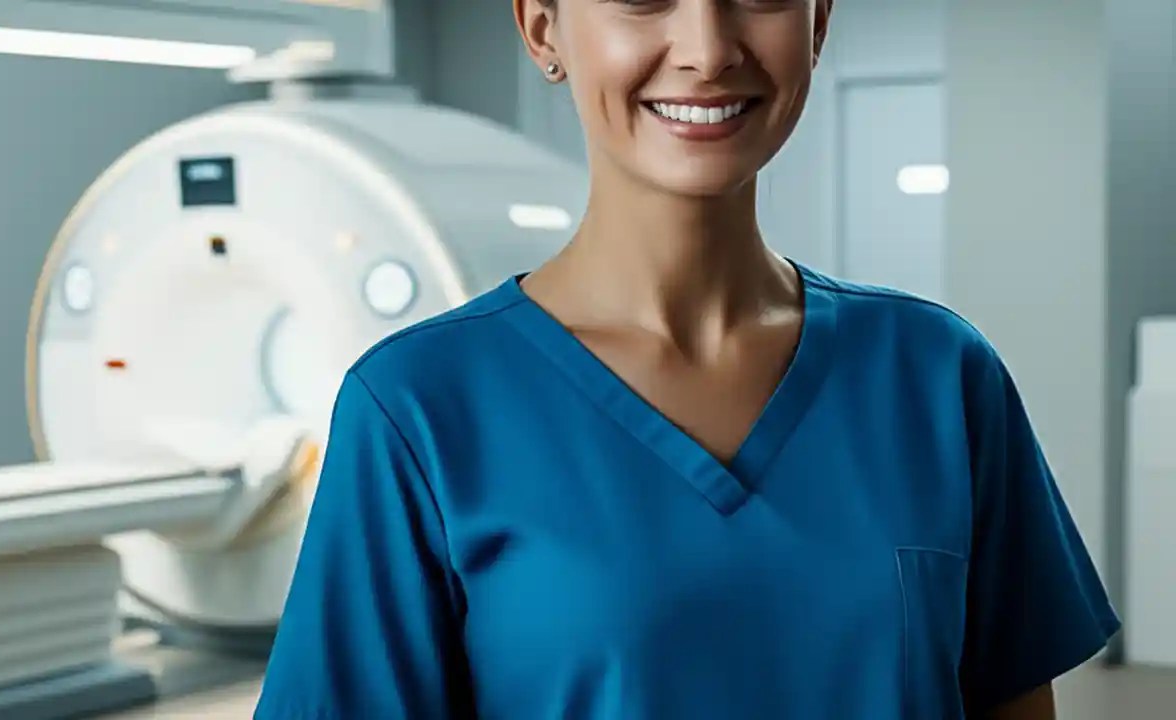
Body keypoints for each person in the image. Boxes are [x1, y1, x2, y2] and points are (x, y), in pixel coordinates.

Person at [254, 0, 1120, 718]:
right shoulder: (419, 409)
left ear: (818, 19)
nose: (708, 48)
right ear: (543, 26)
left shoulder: (938, 375)